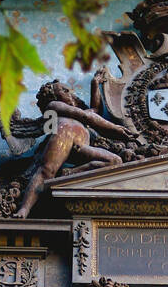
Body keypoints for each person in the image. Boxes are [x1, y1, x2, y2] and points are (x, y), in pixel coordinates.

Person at [12, 81, 134, 218]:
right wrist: (115, 128)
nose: (70, 94)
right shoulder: (53, 105)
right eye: (64, 90)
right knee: (46, 170)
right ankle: (25, 209)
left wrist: (95, 84)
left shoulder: (81, 113)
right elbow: (87, 117)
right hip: (64, 135)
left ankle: (69, 173)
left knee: (114, 161)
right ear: (54, 95)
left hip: (80, 145)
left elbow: (95, 111)